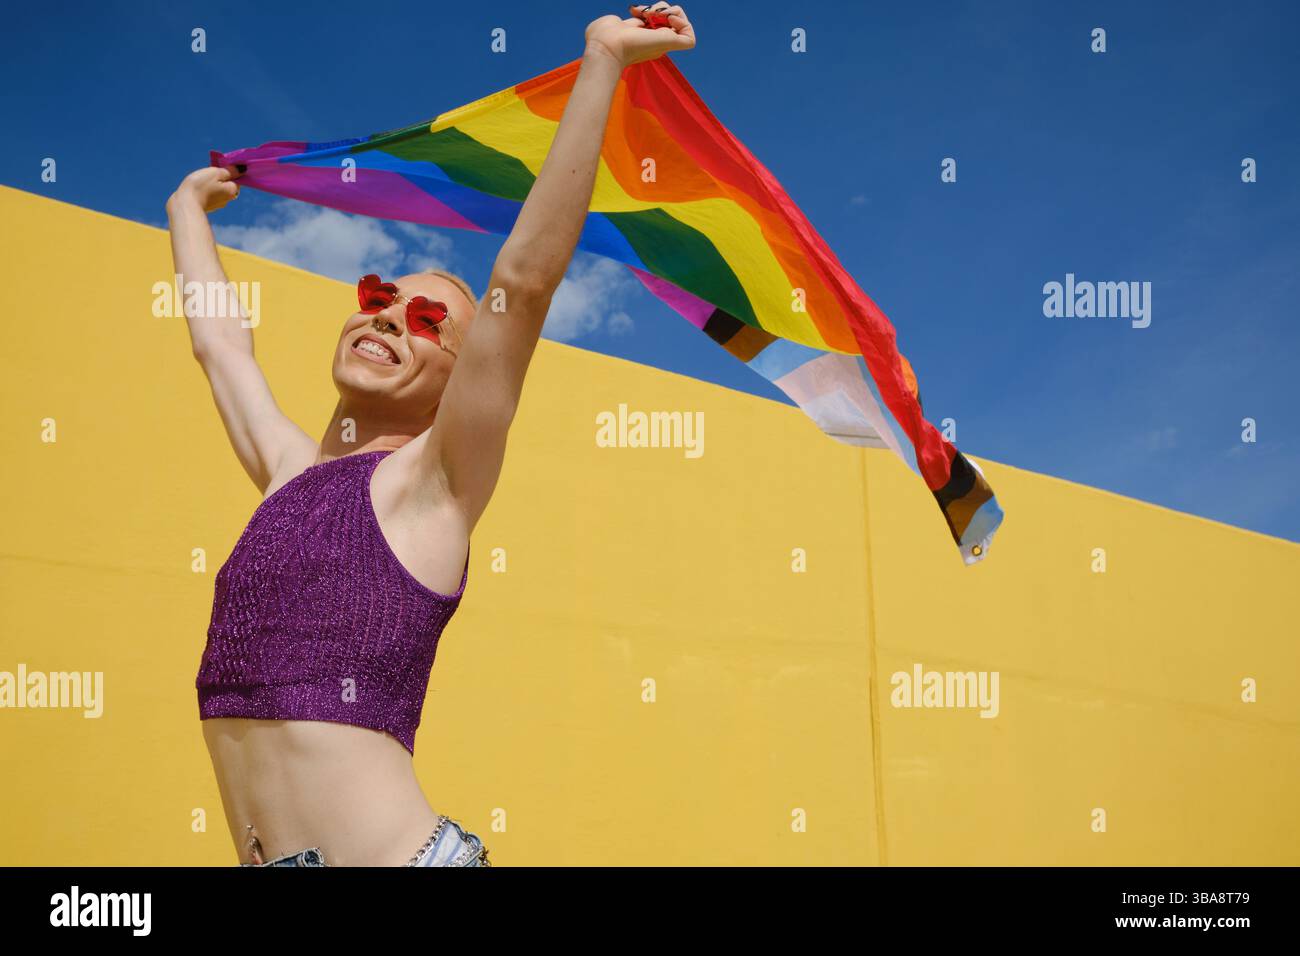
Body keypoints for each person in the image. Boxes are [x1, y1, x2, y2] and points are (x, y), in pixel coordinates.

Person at [167, 3, 695, 866]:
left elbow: (521, 284)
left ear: (460, 378)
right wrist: (187, 207)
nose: (388, 320)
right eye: (377, 297)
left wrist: (602, 59)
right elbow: (218, 344)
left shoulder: (437, 481)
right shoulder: (287, 472)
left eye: (424, 320)